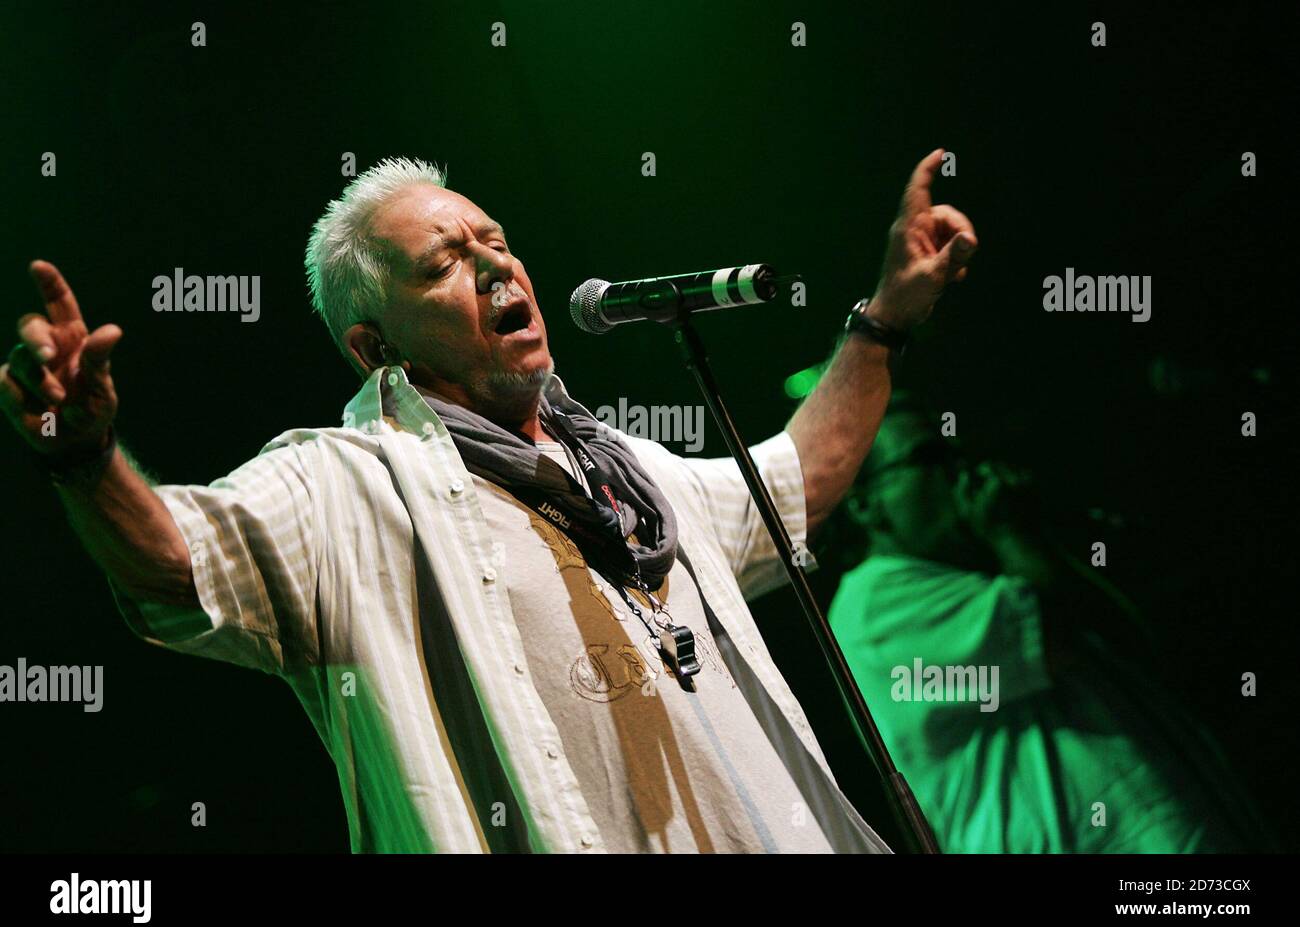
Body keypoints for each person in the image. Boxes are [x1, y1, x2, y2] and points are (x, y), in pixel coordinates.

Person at [2, 150, 977, 854]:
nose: (493, 265)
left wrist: (884, 319)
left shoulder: (629, 473)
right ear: (375, 348)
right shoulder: (350, 485)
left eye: (495, 242)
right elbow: (179, 560)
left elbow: (791, 482)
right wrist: (81, 454)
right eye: (442, 264)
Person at [825, 392, 1269, 852]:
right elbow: (1056, 633)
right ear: (865, 505)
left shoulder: (982, 574)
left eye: (955, 451)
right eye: (930, 456)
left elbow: (1126, 636)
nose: (959, 469)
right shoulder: (874, 603)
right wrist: (1012, 532)